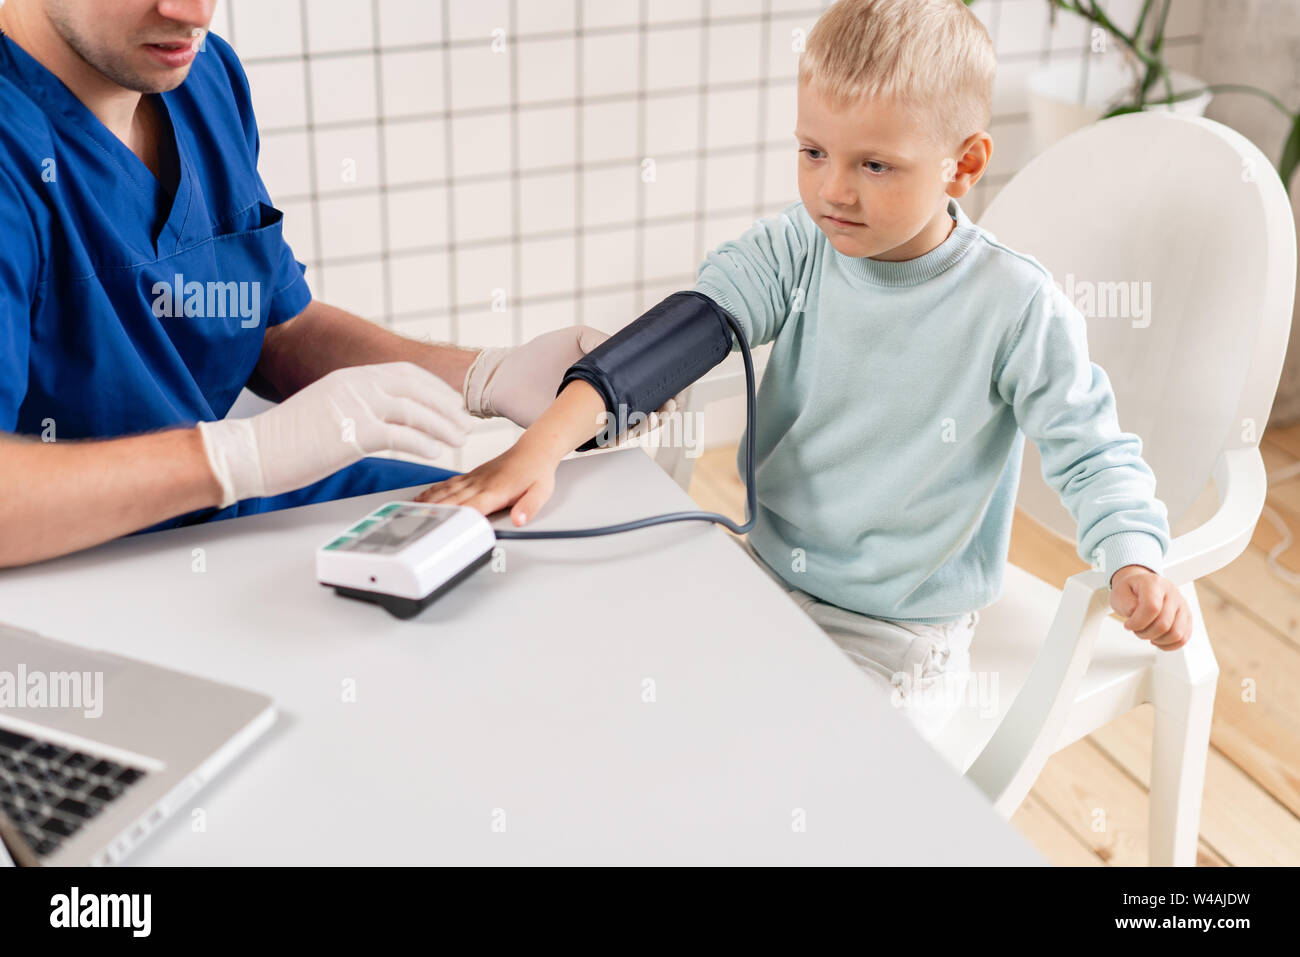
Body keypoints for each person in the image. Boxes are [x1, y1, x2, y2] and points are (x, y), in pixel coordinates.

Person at [412, 0, 1193, 739]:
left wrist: (1133, 554)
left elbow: (1092, 450)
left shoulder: (1017, 306)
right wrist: (538, 448)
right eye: (813, 152)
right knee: (628, 692)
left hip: (898, 632)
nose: (833, 190)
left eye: (876, 165)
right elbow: (690, 329)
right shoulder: (802, 246)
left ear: (964, 165)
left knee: (812, 770)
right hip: (763, 573)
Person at [0, 0, 662, 569]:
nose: (195, 13)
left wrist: (485, 375)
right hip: (72, 560)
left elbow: (278, 329)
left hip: (227, 513)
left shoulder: (200, 78)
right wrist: (237, 458)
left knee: (535, 553)